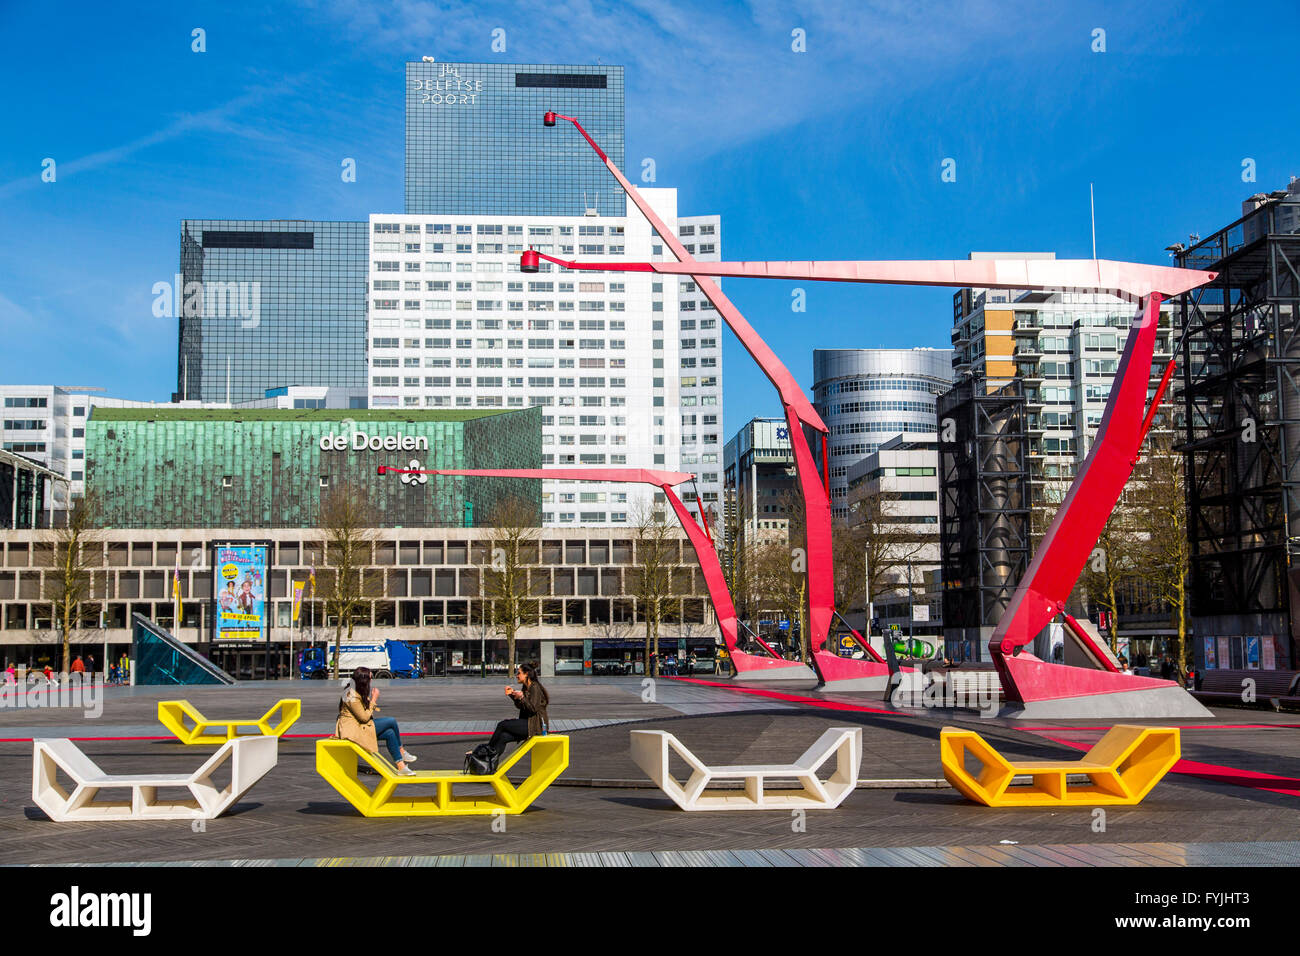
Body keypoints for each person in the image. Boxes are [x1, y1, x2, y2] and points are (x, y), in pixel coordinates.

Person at [335, 666, 417, 774]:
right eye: (370, 678)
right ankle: (401, 751)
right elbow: (364, 718)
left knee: (389, 733)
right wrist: (374, 699)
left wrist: (369, 700)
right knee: (391, 721)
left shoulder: (356, 691)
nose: (371, 680)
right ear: (363, 680)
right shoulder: (351, 696)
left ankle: (401, 766)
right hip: (353, 731)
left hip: (358, 727)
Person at [481, 662, 550, 760]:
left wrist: (521, 697)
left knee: (502, 725)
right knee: (503, 737)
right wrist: (513, 695)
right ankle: (490, 762)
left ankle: (487, 750)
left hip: (535, 725)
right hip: (528, 722)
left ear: (526, 674)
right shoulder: (526, 687)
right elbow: (521, 706)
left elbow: (533, 708)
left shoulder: (535, 687)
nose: (517, 676)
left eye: (519, 673)